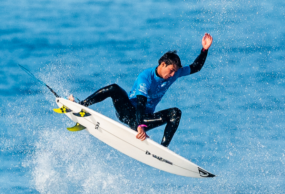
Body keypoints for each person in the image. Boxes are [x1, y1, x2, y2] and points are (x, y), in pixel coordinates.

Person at [73, 33, 213, 147]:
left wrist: (204, 50)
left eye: (174, 72)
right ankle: (81, 105)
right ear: (163, 64)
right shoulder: (145, 78)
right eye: (170, 71)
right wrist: (140, 126)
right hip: (128, 113)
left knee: (175, 113)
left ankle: (162, 150)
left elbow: (196, 67)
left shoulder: (174, 73)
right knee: (114, 88)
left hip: (145, 118)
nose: (172, 75)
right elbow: (140, 102)